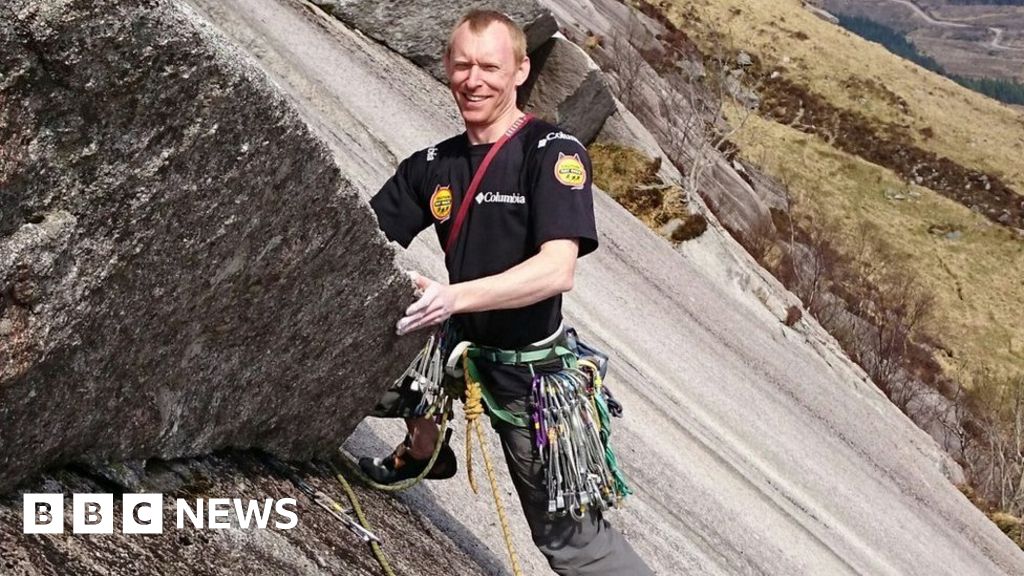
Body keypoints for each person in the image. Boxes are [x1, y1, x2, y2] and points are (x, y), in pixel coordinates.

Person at [362, 9, 653, 575]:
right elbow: (361, 240)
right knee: (360, 338)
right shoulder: (432, 165)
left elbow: (556, 269)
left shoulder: (552, 153)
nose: (474, 80)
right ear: (447, 67)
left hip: (530, 374)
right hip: (457, 341)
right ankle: (423, 450)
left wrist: (453, 297)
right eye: (462, 65)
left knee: (572, 543)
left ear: (520, 71)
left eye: (490, 67)